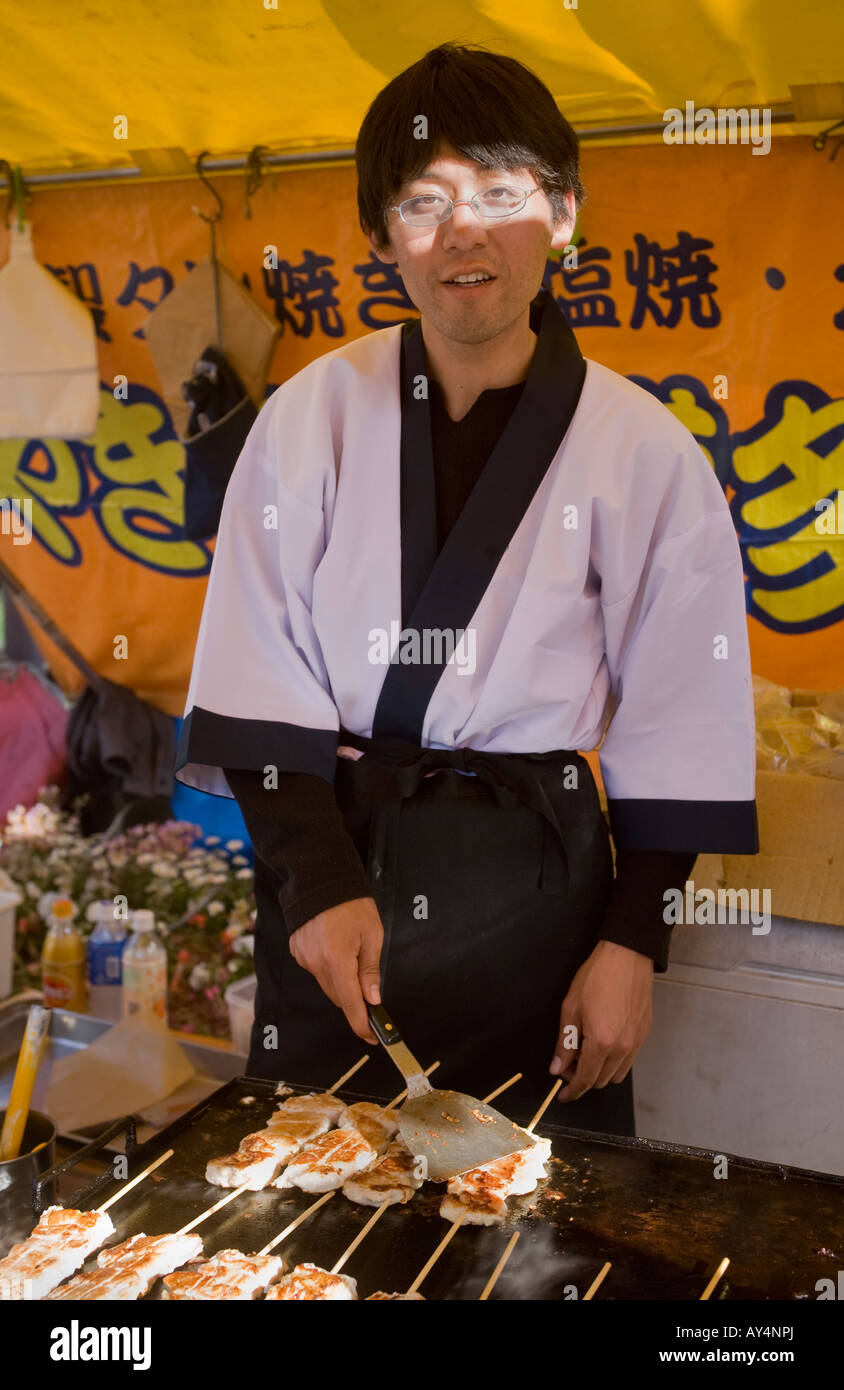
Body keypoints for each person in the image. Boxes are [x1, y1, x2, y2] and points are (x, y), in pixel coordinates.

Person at [175, 44, 758, 1130]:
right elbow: (256, 674)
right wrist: (314, 878)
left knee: (537, 1222)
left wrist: (634, 943)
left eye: (502, 193)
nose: (464, 234)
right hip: (338, 864)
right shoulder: (310, 415)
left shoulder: (644, 450)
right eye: (422, 202)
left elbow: (684, 719)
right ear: (382, 234)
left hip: (540, 886)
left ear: (565, 215)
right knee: (305, 1193)